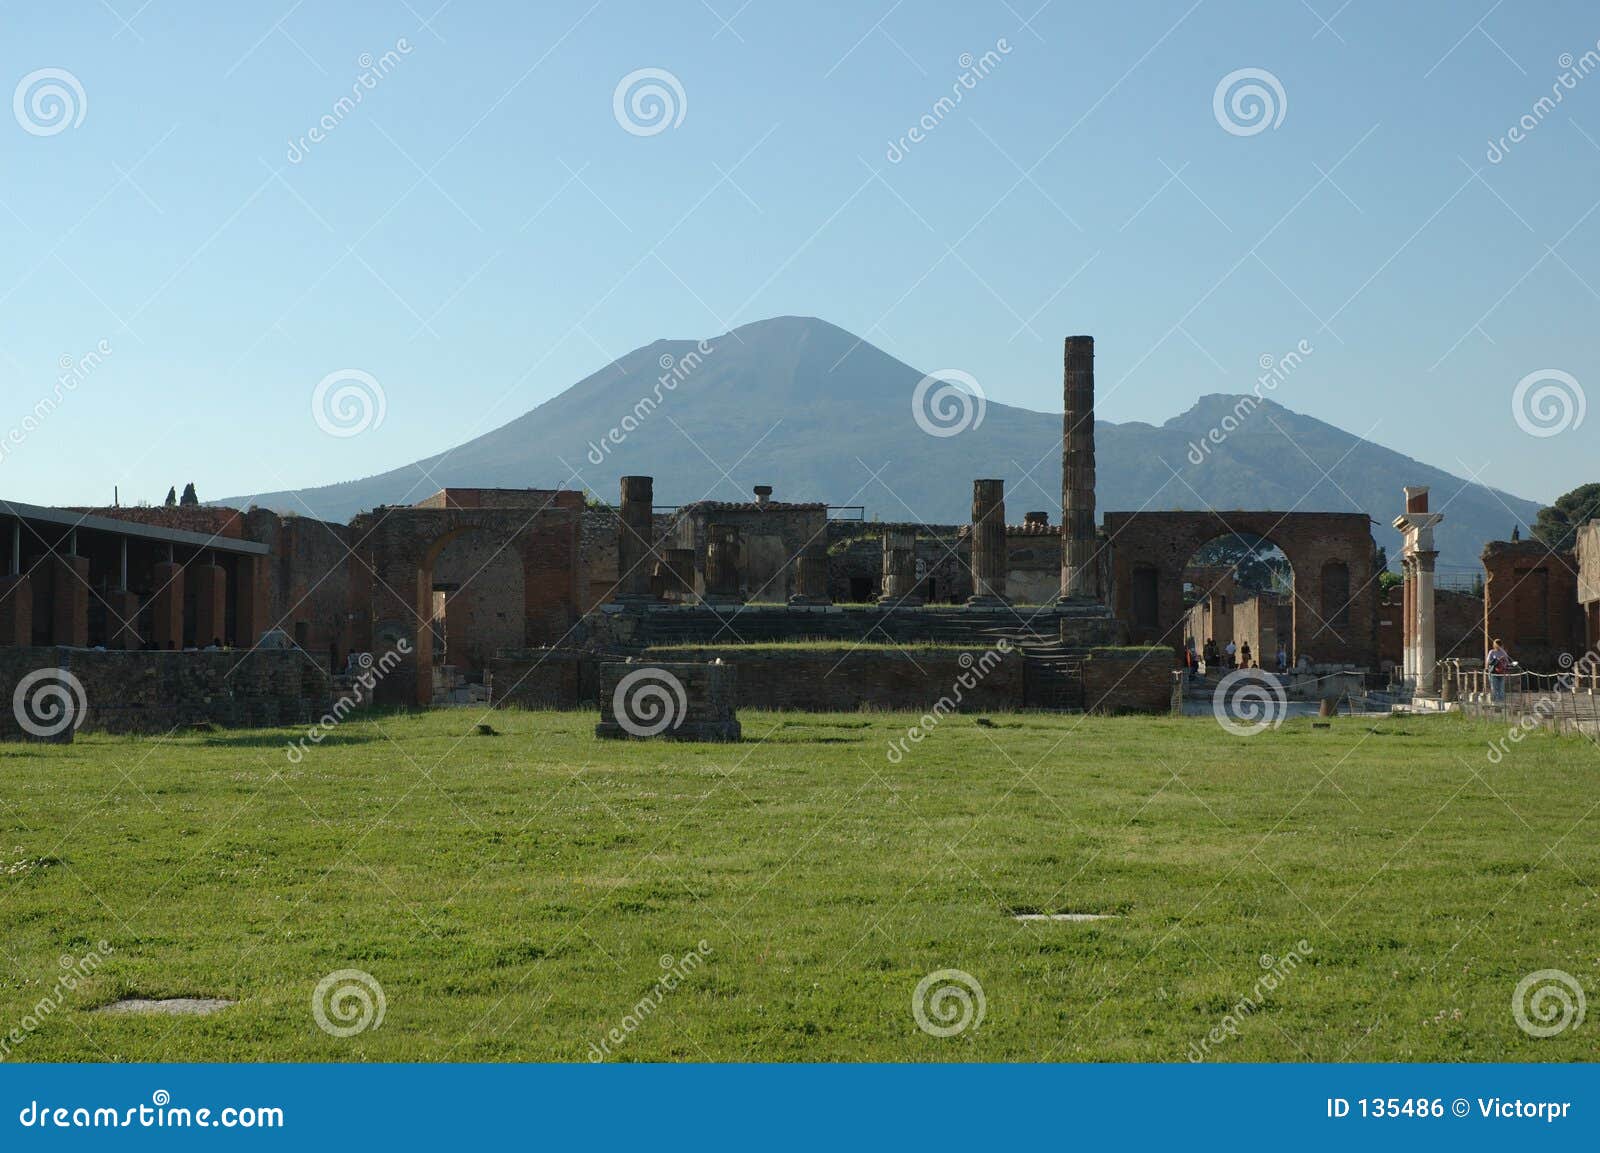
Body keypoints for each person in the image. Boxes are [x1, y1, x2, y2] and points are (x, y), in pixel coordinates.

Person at [1487, 637, 1510, 704]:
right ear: (1494, 645)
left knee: (1501, 688)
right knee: (1494, 688)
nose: (1498, 646)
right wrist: (1497, 659)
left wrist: (1504, 661)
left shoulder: (1503, 652)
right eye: (1497, 645)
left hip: (1501, 672)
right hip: (1493, 672)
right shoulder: (1492, 652)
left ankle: (1501, 703)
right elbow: (1488, 662)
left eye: (1499, 645)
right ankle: (1495, 703)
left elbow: (1507, 662)